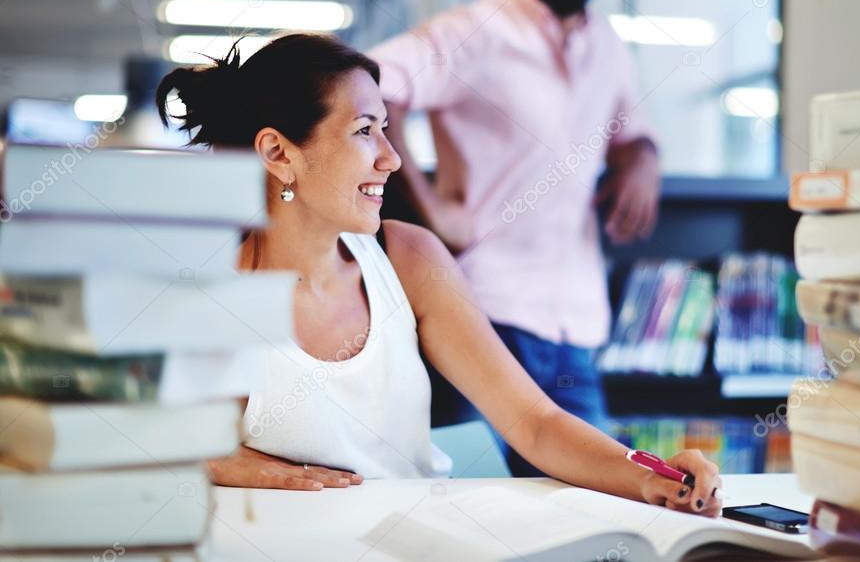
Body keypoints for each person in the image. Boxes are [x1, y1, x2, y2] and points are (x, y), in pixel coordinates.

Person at [155, 33, 720, 515]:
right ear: (279, 152)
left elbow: (534, 421)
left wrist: (648, 475)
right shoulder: (210, 290)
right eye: (363, 130)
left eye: (385, 129)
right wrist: (196, 454)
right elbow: (121, 436)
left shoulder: (409, 260)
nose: (391, 158)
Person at [369, 0, 660, 475]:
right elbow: (371, 80)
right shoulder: (476, 31)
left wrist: (644, 160)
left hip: (577, 326)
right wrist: (424, 205)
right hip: (483, 311)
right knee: (476, 509)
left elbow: (634, 130)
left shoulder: (609, 47)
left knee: (598, 501)